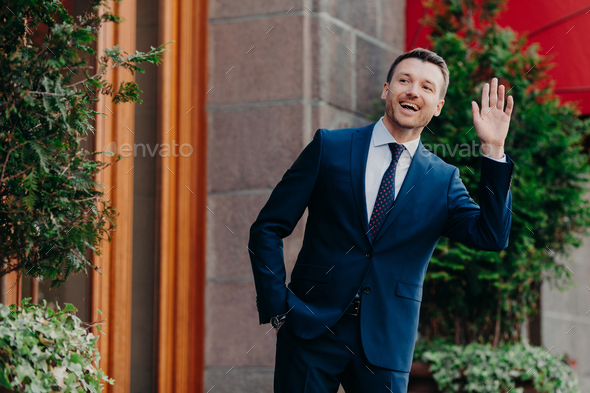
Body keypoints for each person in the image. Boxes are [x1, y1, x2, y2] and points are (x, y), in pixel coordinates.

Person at [248, 48, 514, 393]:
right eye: (404, 80)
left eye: (427, 87)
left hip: (387, 340)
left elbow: (492, 236)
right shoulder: (330, 147)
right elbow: (268, 227)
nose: (413, 91)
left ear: (438, 107)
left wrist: (493, 150)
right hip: (310, 328)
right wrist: (278, 309)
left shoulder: (442, 180)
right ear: (387, 89)